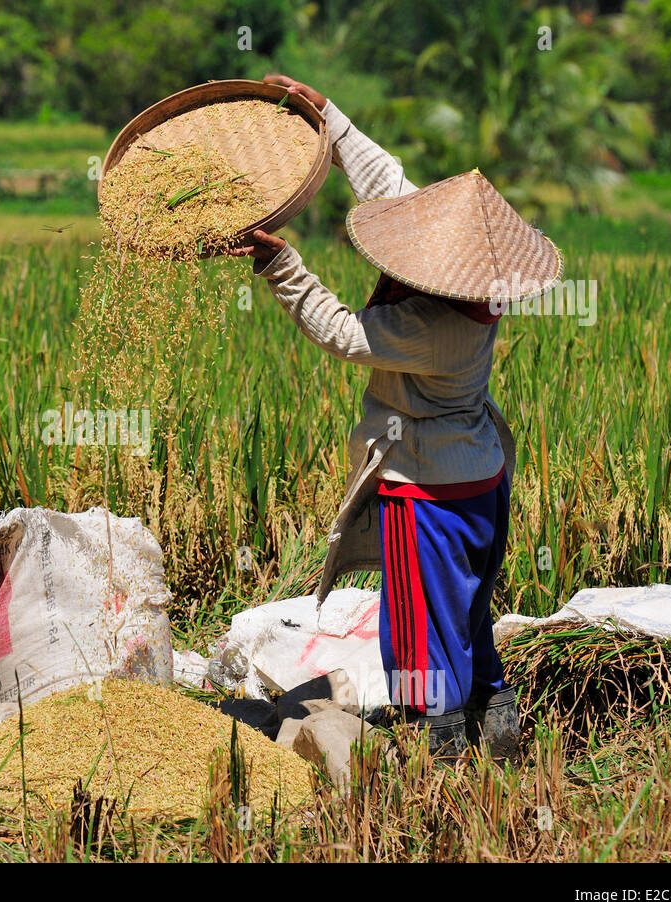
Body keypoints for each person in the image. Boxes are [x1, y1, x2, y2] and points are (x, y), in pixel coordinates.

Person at [228, 75, 564, 761]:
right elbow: (389, 183)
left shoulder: (437, 326)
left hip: (428, 491)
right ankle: (497, 722)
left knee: (421, 630)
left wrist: (279, 263)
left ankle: (441, 751)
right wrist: (330, 116)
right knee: (466, 616)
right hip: (478, 476)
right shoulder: (473, 281)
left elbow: (344, 332)